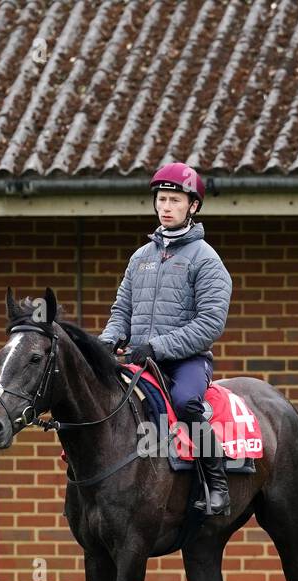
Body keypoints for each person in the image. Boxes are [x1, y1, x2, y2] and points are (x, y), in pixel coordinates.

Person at [99, 161, 233, 517]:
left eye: (175, 200)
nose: (166, 207)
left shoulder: (206, 260)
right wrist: (108, 340)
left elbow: (209, 324)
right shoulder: (140, 258)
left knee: (186, 401)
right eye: (161, 199)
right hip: (140, 359)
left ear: (193, 206)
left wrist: (157, 347)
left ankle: (215, 481)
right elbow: (121, 311)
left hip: (186, 360)